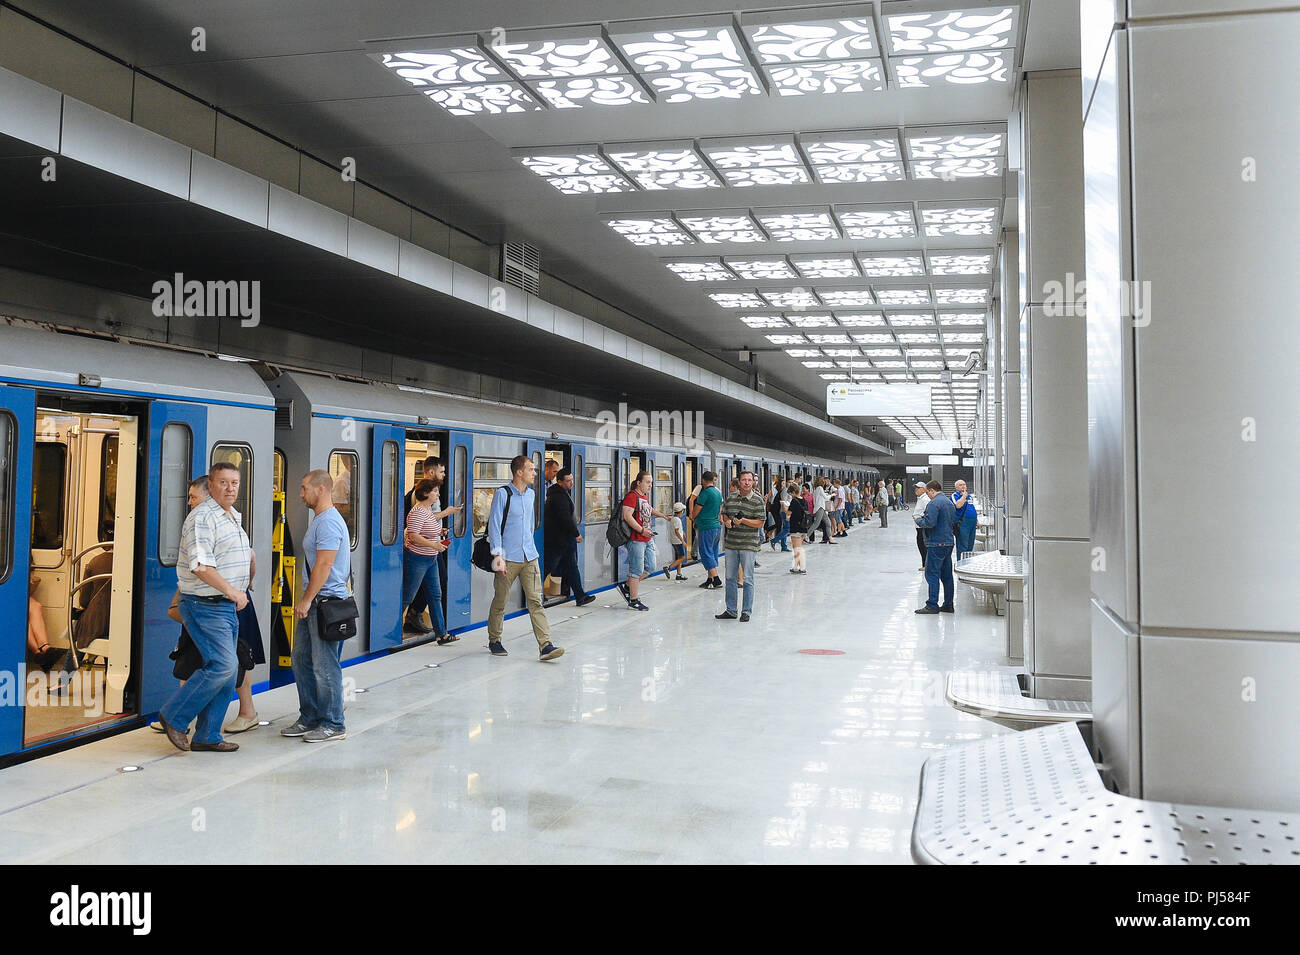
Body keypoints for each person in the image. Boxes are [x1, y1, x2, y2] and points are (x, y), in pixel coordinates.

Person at [157, 462, 253, 753]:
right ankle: (174, 716)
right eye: (223, 482)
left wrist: (240, 587)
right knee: (223, 665)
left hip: (225, 605)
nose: (230, 488)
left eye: (235, 483)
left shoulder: (232, 517)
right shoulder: (202, 518)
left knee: (226, 668)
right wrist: (233, 591)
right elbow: (200, 566)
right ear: (210, 486)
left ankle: (207, 736)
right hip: (204, 604)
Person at [280, 469, 352, 742]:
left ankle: (334, 723)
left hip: (324, 603)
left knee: (325, 665)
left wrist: (307, 599)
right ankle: (310, 716)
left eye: (303, 488)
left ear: (320, 489)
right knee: (302, 660)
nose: (301, 494)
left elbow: (324, 564)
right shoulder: (321, 520)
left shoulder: (329, 523)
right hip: (316, 602)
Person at [486, 455, 563, 660]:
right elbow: (494, 526)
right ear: (519, 472)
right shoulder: (503, 494)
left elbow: (529, 525)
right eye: (531, 469)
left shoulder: (531, 495)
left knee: (536, 601)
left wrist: (531, 548)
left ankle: (545, 645)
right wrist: (498, 556)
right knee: (501, 600)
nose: (535, 473)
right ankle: (494, 639)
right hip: (508, 558)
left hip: (530, 557)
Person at [403, 458, 462, 634]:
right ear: (431, 472)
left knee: (436, 593)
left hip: (431, 554)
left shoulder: (427, 507)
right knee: (409, 594)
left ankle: (441, 634)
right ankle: (397, 622)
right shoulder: (420, 507)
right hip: (420, 555)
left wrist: (440, 532)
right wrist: (447, 512)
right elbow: (414, 533)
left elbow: (428, 523)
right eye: (442, 471)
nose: (444, 475)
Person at [716, 470, 765, 622]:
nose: (747, 483)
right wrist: (727, 521)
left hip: (748, 545)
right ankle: (731, 610)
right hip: (731, 544)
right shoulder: (730, 498)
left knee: (748, 578)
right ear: (739, 482)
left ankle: (746, 611)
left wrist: (743, 520)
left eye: (749, 480)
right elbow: (724, 514)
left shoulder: (757, 500)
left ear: (753, 482)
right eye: (744, 480)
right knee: (730, 577)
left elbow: (760, 522)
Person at [544, 467, 595, 606]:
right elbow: (565, 518)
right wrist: (576, 533)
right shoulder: (558, 497)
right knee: (547, 567)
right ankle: (536, 595)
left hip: (564, 540)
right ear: (560, 482)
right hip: (558, 540)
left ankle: (580, 596)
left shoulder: (561, 493)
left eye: (572, 480)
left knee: (572, 568)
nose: (571, 483)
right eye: (568, 481)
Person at [617, 471, 662, 611]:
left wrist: (663, 515)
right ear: (639, 482)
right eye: (647, 482)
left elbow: (648, 511)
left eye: (651, 482)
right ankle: (633, 600)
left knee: (650, 566)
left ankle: (628, 586)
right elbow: (627, 516)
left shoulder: (644, 497)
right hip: (636, 539)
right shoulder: (631, 496)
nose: (650, 485)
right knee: (636, 570)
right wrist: (641, 530)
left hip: (647, 537)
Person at [915, 480, 957, 615]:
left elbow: (930, 523)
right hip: (948, 542)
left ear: (932, 490)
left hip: (936, 543)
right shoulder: (949, 502)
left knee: (932, 574)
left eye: (928, 492)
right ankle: (948, 604)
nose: (928, 495)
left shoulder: (934, 503)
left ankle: (932, 604)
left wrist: (918, 520)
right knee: (947, 575)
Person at [691, 471, 723, 589]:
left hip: (706, 526)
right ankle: (709, 579)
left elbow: (697, 509)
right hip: (716, 527)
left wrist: (692, 516)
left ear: (704, 480)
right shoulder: (718, 492)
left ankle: (716, 579)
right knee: (712, 552)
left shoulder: (705, 493)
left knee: (705, 553)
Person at [786, 482, 809, 575]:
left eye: (790, 493)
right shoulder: (804, 500)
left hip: (796, 528)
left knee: (797, 548)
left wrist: (784, 506)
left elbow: (788, 512)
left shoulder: (794, 501)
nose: (790, 495)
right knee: (798, 548)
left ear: (793, 492)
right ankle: (795, 567)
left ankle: (802, 567)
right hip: (804, 527)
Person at [952, 479, 978, 560]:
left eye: (964, 484)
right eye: (960, 485)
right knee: (962, 544)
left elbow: (972, 508)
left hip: (972, 522)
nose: (963, 486)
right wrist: (964, 496)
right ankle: (961, 563)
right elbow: (958, 505)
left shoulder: (969, 496)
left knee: (970, 543)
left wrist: (977, 521)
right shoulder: (955, 496)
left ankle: (968, 562)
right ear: (956, 487)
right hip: (963, 522)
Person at [666, 502, 689, 580]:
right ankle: (668, 568)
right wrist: (683, 541)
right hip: (678, 541)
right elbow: (676, 531)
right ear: (681, 511)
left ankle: (679, 574)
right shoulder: (677, 520)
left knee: (679, 557)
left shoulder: (673, 518)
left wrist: (683, 533)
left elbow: (678, 529)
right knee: (682, 558)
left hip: (674, 541)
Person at [811, 479, 834, 544]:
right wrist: (832, 495)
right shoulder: (820, 488)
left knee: (828, 523)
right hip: (820, 508)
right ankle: (806, 536)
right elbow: (826, 498)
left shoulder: (816, 489)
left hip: (821, 508)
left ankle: (830, 538)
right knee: (816, 524)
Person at [914, 481, 930, 571]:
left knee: (924, 546)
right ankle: (924, 564)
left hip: (922, 527)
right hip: (918, 526)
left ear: (924, 490)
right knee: (921, 546)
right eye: (916, 488)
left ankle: (926, 565)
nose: (916, 490)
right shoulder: (920, 498)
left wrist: (919, 518)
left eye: (918, 488)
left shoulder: (925, 499)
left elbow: (927, 511)